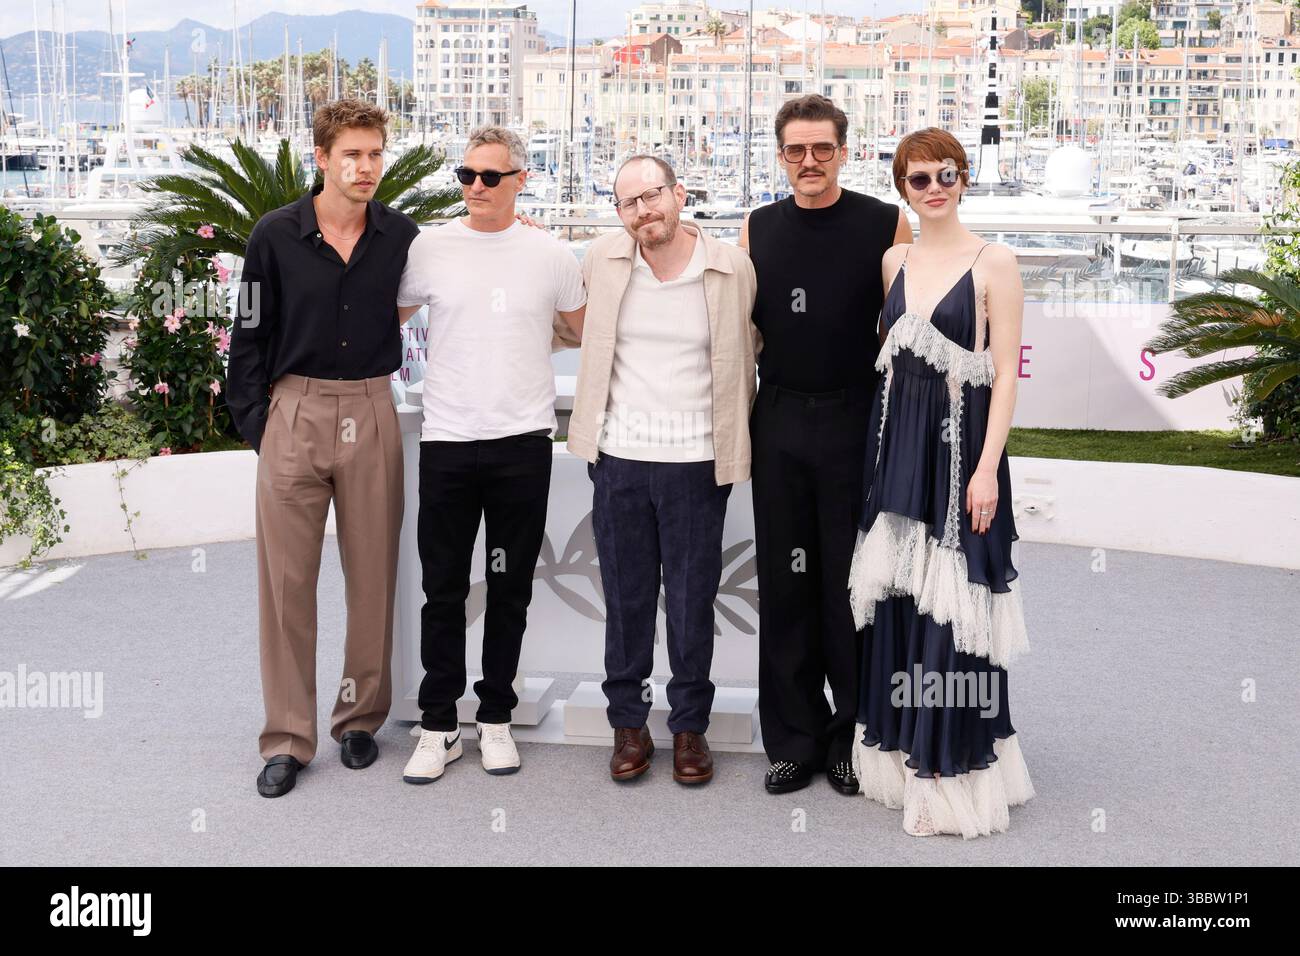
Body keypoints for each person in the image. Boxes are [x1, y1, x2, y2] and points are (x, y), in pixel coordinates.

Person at [226, 99, 420, 798]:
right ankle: (287, 737)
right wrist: (261, 425)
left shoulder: (402, 235)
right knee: (285, 586)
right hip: (294, 411)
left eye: (375, 154)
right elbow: (246, 334)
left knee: (373, 577)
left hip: (371, 406)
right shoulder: (273, 236)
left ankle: (360, 717)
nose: (366, 167)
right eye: (352, 155)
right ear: (322, 158)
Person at [848, 127, 1035, 837]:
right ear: (904, 188)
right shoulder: (895, 258)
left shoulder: (997, 262)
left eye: (947, 174)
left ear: (964, 179)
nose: (935, 188)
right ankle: (902, 758)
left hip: (962, 456)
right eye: (920, 178)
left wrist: (987, 470)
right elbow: (892, 368)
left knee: (956, 612)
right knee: (901, 601)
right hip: (895, 448)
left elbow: (1008, 373)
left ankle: (949, 772)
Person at [395, 125, 586, 784]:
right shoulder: (429, 248)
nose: (476, 187)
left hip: (522, 442)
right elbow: (382, 316)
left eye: (490, 177)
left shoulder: (550, 253)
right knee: (441, 591)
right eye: (466, 176)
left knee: (510, 592)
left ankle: (497, 718)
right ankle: (440, 724)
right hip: (446, 441)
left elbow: (589, 329)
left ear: (518, 181)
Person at [567, 155, 758, 785]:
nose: (643, 212)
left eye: (652, 196)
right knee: (625, 600)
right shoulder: (602, 259)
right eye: (628, 203)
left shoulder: (731, 267)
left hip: (699, 462)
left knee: (691, 601)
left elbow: (753, 346)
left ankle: (689, 729)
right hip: (619, 458)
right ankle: (627, 724)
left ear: (679, 194)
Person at [740, 94, 912, 795]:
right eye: (795, 150)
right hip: (777, 419)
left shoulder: (884, 222)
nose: (808, 162)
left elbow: (905, 326)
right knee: (786, 585)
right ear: (780, 155)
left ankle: (848, 739)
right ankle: (792, 740)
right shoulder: (755, 228)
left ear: (844, 149)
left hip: (853, 418)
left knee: (849, 586)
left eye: (822, 149)